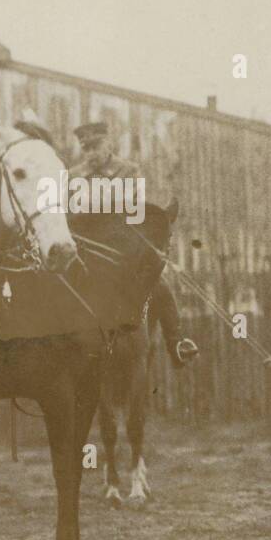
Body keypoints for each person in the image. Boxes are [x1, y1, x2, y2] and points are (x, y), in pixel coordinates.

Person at [70, 121, 197, 368]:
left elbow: (132, 207)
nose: (91, 154)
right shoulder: (74, 175)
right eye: (86, 149)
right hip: (85, 249)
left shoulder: (128, 171)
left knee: (159, 285)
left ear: (108, 143)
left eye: (95, 146)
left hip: (120, 247)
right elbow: (68, 212)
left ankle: (177, 342)